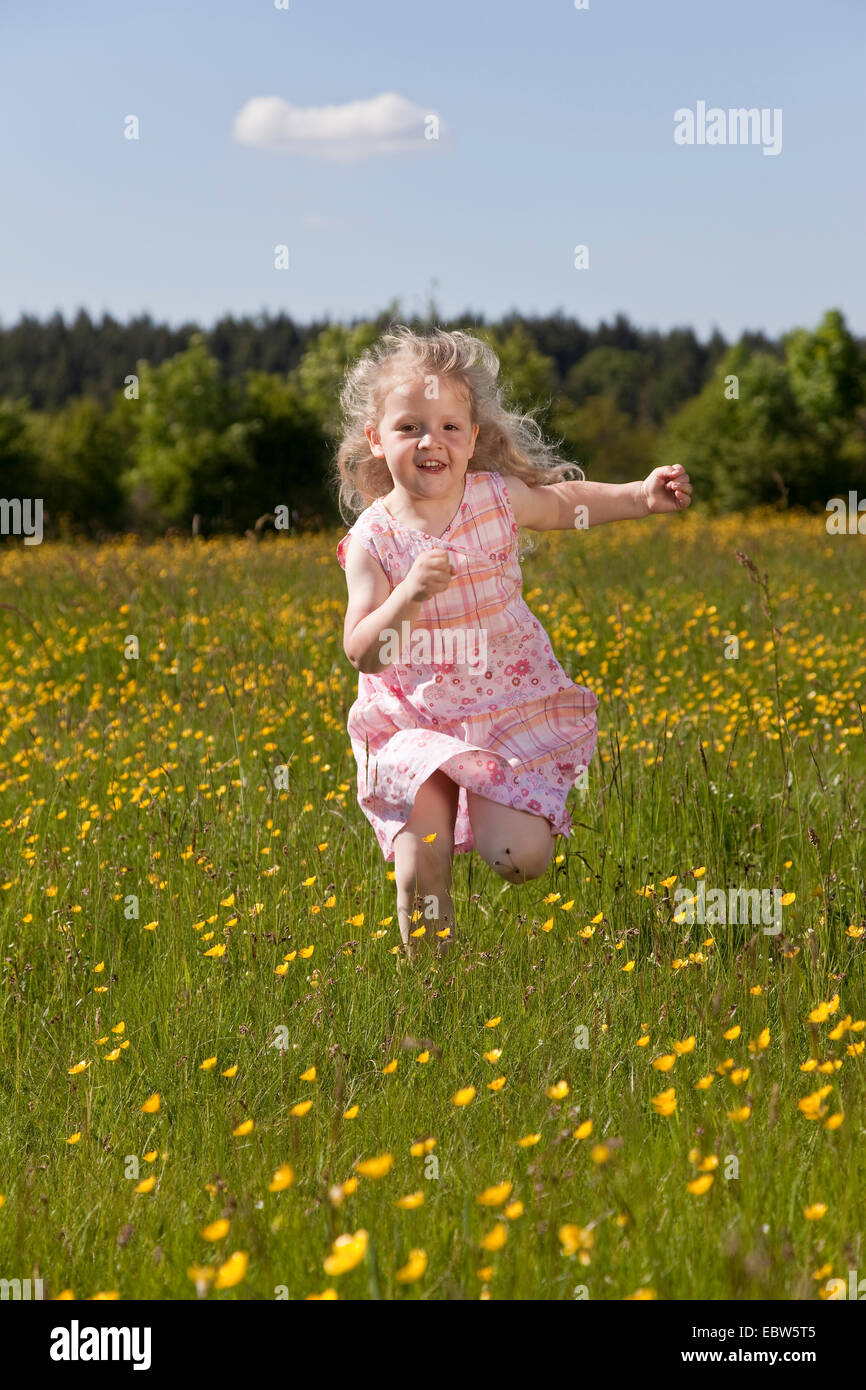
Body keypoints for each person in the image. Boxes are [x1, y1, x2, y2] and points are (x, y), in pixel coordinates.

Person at [336, 326, 691, 957]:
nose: (430, 441)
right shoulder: (373, 539)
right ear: (376, 439)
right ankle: (432, 993)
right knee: (422, 861)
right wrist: (408, 594)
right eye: (410, 426)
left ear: (473, 441)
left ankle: (489, 807)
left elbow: (564, 504)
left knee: (522, 858)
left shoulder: (492, 499)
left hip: (505, 705)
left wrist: (640, 496)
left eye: (449, 426)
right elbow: (363, 650)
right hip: (411, 717)